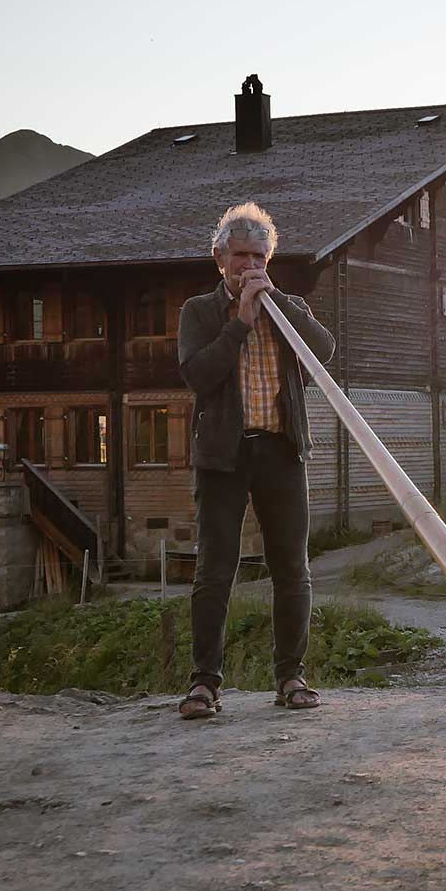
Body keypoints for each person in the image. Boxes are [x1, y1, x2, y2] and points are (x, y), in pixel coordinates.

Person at [176, 202, 336, 720]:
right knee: (215, 570)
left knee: (292, 568)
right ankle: (205, 685)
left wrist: (280, 307)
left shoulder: (286, 304)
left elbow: (324, 352)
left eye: (259, 255)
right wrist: (240, 323)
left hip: (281, 449)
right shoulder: (199, 311)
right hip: (223, 454)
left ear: (269, 258)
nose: (250, 265)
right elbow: (198, 376)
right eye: (240, 255)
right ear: (220, 258)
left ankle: (291, 676)